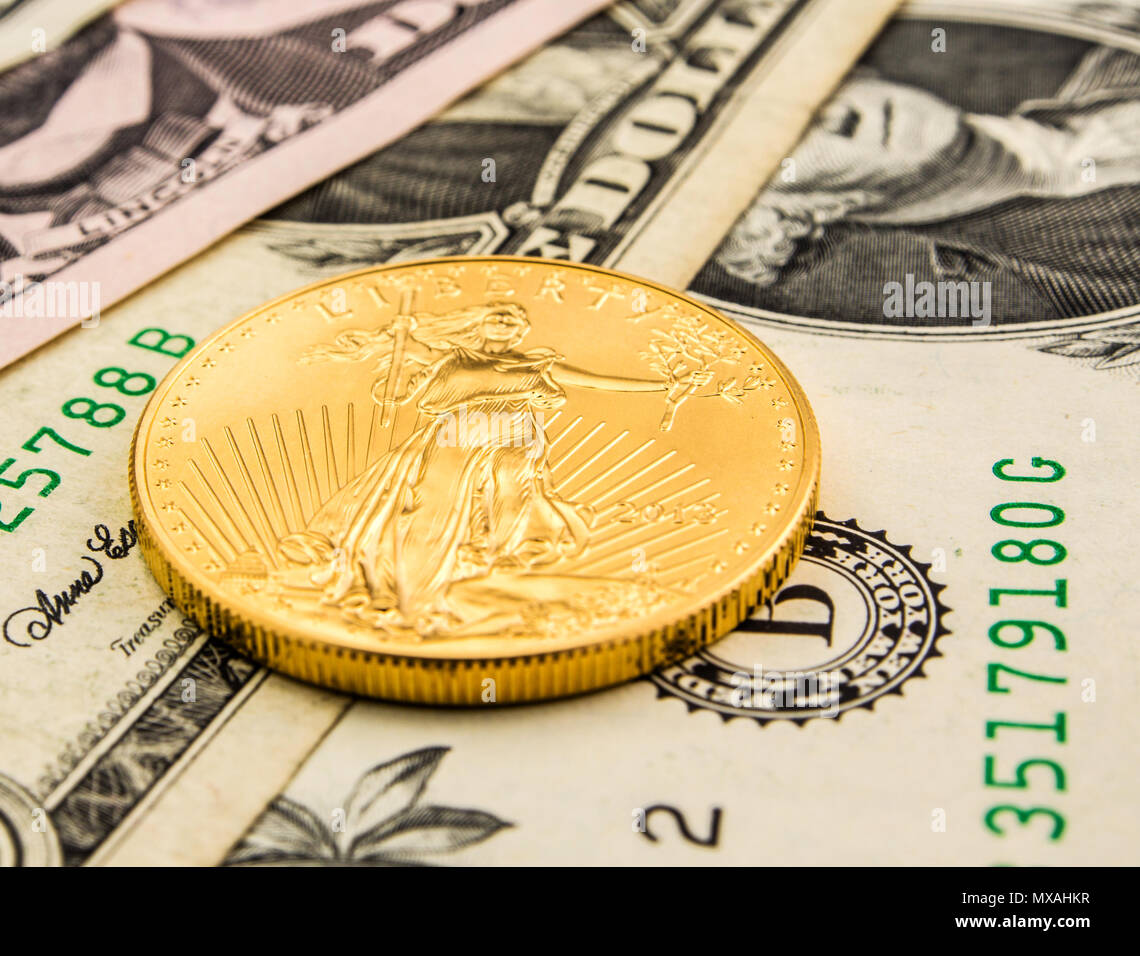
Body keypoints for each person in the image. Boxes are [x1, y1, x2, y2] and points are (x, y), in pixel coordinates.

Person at [277, 301, 701, 637]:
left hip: (511, 442)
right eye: (497, 316)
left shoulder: (536, 364)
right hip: (455, 438)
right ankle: (407, 599)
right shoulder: (452, 358)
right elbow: (400, 389)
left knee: (503, 512)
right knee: (429, 516)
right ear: (481, 324)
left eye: (513, 319)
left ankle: (450, 587)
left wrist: (663, 386)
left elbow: (596, 380)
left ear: (521, 332)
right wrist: (397, 341)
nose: (505, 322)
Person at [707, 46, 1140, 324]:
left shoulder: (1117, 57)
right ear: (801, 214)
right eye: (772, 145)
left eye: (784, 92)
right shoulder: (1077, 297)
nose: (832, 117)